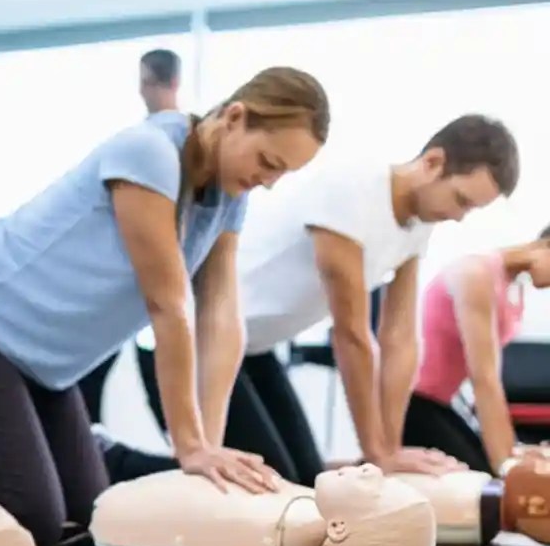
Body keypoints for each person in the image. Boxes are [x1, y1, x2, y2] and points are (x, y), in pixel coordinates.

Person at [0, 66, 331, 546]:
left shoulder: (228, 199)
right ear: (236, 117)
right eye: (268, 162)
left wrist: (209, 449)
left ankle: (77, 455)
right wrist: (189, 446)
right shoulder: (150, 153)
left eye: (282, 174)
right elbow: (169, 305)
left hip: (47, 368)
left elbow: (219, 317)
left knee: (90, 518)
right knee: (32, 518)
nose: (269, 181)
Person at [127, 114, 519, 487]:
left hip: (254, 350)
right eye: (462, 200)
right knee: (266, 481)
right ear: (433, 163)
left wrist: (391, 448)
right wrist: (376, 453)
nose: (459, 216)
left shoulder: (420, 225)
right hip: (196, 342)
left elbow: (399, 338)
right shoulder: (353, 192)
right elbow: (351, 336)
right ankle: (107, 461)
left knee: (306, 483)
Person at [403, 225, 550, 474]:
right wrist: (507, 466)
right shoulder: (476, 274)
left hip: (442, 402)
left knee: (493, 468)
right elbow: (484, 379)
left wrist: (513, 450)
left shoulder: (513, 287)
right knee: (485, 480)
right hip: (410, 400)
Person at [138, 48, 181, 115]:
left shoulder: (145, 125)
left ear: (173, 84)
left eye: (147, 83)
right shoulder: (195, 124)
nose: (142, 91)